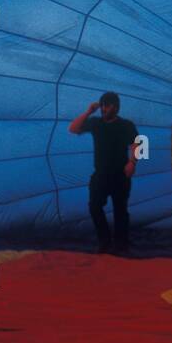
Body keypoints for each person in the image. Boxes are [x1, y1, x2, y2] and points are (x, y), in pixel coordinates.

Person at [68, 91, 138, 254]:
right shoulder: (95, 123)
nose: (104, 109)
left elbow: (140, 144)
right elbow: (73, 128)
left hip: (120, 174)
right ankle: (104, 241)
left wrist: (133, 162)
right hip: (100, 174)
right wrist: (88, 111)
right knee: (94, 207)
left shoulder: (126, 125)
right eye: (103, 105)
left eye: (108, 105)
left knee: (120, 210)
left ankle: (121, 244)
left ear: (116, 107)